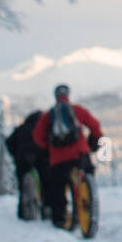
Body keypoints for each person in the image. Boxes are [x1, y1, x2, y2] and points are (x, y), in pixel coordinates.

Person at [32, 85, 102, 230]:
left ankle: (60, 220)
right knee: (86, 175)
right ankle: (87, 200)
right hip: (80, 153)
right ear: (68, 95)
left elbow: (37, 136)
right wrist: (94, 140)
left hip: (58, 158)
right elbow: (95, 125)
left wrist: (48, 148)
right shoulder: (78, 110)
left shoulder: (48, 115)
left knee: (58, 189)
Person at [5, 110, 49, 220]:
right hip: (39, 158)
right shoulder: (42, 128)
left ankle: (22, 212)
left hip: (22, 158)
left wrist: (15, 155)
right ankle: (45, 210)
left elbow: (9, 142)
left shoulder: (21, 128)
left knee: (22, 186)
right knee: (45, 183)